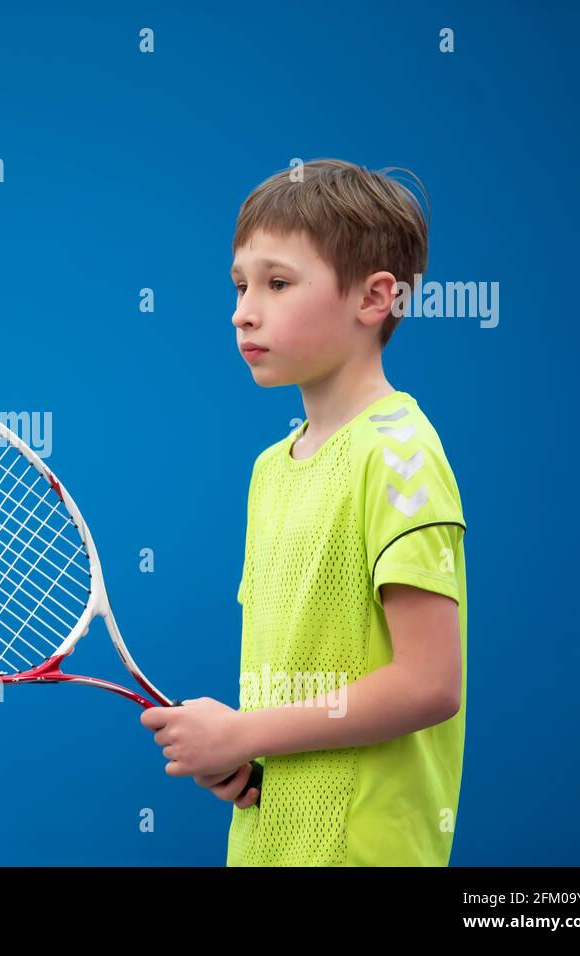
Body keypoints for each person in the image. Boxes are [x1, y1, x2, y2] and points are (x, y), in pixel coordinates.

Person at [142, 159, 468, 866]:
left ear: (376, 297)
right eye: (239, 285)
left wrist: (246, 732)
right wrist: (242, 757)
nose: (244, 310)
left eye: (278, 283)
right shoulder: (269, 470)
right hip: (267, 846)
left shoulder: (401, 456)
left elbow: (430, 684)